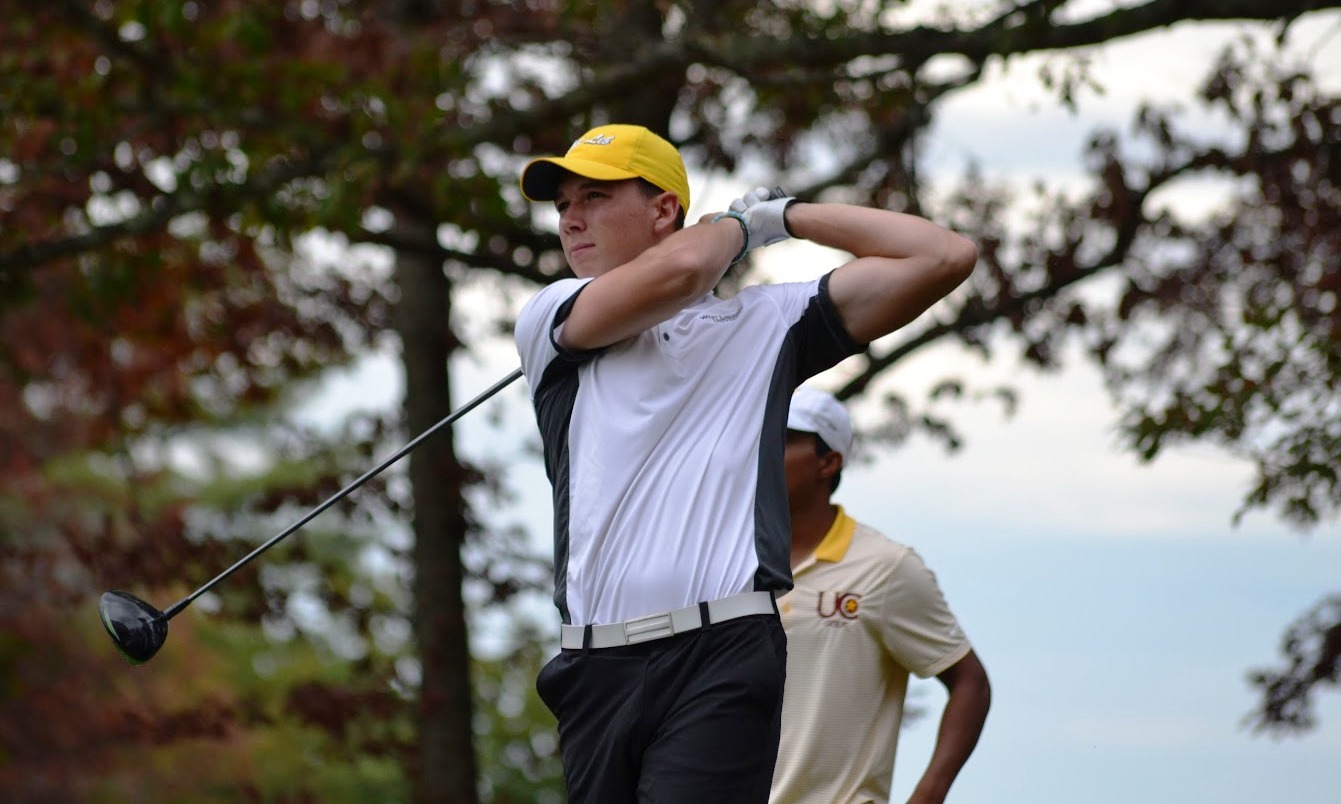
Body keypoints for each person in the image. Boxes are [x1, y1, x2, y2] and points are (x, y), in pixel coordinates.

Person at [513, 123, 978, 803]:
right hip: (594, 665)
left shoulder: (766, 323)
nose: (571, 219)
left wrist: (783, 218)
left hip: (722, 651)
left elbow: (943, 255)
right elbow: (680, 271)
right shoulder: (552, 314)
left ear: (663, 210)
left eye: (594, 197)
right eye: (562, 206)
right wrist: (737, 228)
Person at [771, 386, 991, 804]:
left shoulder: (886, 567)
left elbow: (970, 683)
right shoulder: (726, 564)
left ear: (828, 462)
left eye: (784, 440)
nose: (763, 452)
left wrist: (928, 794)